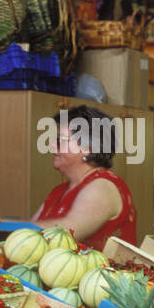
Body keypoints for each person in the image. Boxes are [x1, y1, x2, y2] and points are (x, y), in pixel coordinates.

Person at [31, 106, 136, 251]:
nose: (52, 145)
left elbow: (62, 235)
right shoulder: (58, 192)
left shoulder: (102, 186)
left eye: (60, 140)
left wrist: (2, 228)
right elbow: (28, 235)